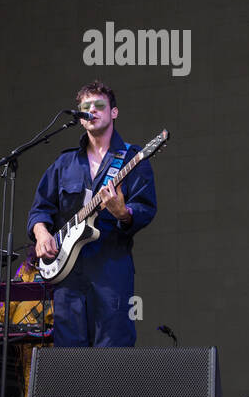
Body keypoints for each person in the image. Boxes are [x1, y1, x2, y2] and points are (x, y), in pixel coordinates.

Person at [27, 81, 157, 347]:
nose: (92, 111)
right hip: (68, 276)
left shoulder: (132, 158)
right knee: (69, 360)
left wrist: (123, 213)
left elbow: (145, 207)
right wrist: (41, 235)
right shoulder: (65, 163)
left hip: (110, 272)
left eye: (99, 106)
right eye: (86, 108)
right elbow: (41, 208)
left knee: (111, 357)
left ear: (114, 113)